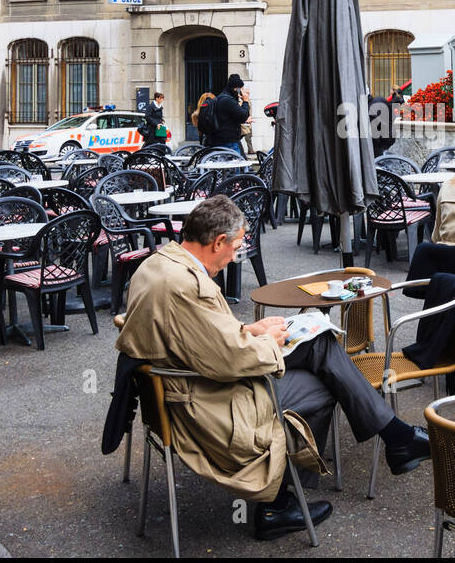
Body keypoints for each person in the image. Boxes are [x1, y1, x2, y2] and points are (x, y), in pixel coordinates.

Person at [114, 195, 431, 541]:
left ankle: (390, 442)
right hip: (209, 402)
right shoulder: (186, 284)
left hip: (185, 386)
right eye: (234, 248)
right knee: (326, 382)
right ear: (217, 241)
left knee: (318, 344)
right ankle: (277, 504)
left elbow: (194, 335)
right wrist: (271, 342)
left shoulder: (159, 265)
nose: (235, 256)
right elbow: (230, 360)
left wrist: (252, 330)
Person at [204, 74, 251, 153]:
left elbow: (230, 117)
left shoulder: (222, 98)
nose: (242, 92)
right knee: (236, 163)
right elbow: (243, 116)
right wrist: (246, 101)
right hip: (228, 141)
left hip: (221, 139)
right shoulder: (228, 100)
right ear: (236, 89)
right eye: (241, 89)